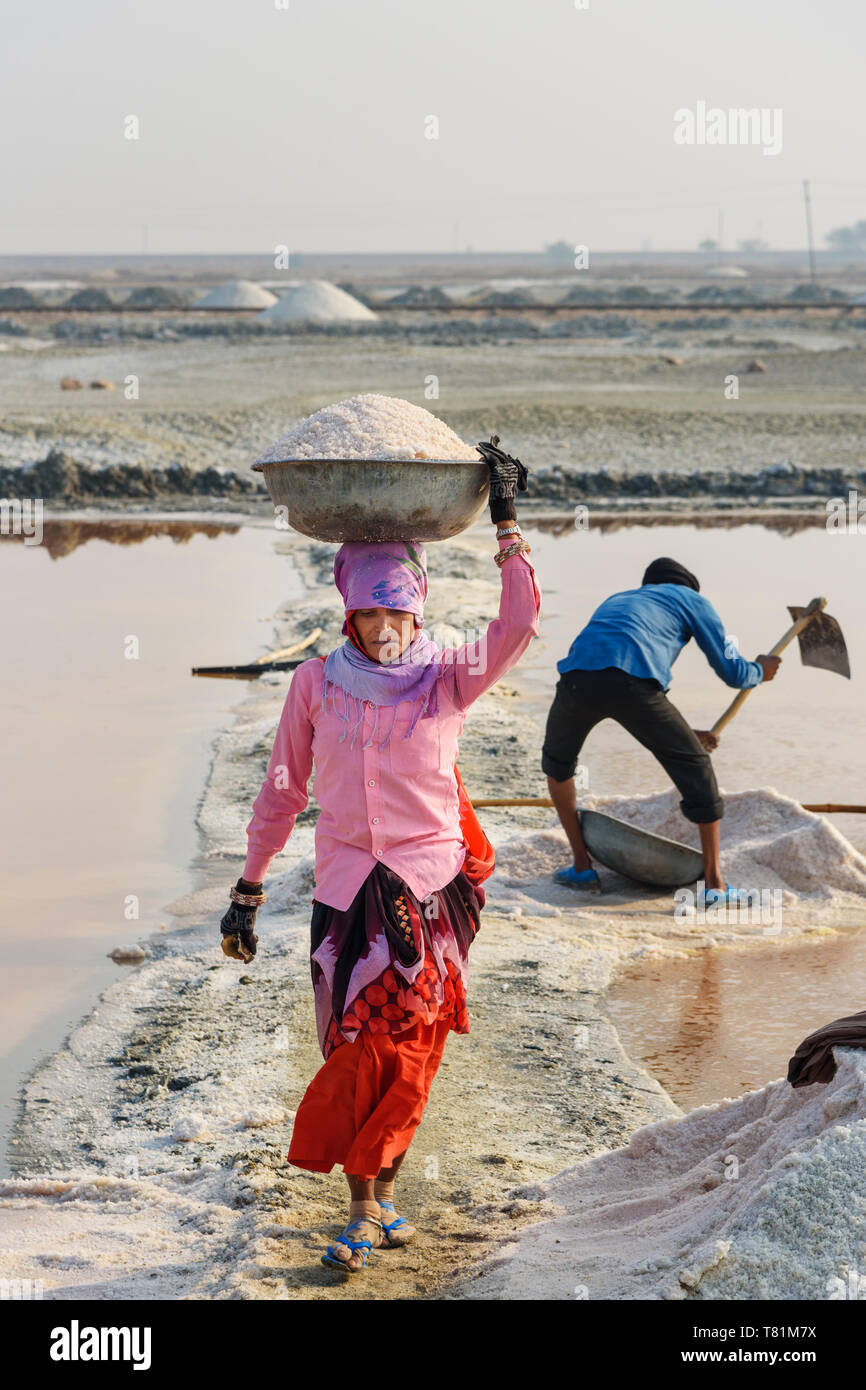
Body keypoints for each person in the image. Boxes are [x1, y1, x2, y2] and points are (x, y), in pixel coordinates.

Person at [219, 440, 540, 1275]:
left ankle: (370, 1204)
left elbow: (519, 626)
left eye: (399, 613)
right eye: (371, 614)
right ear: (347, 616)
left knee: (407, 1049)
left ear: (419, 612)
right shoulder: (316, 685)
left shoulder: (449, 677)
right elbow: (284, 791)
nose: (386, 628)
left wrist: (506, 523)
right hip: (343, 894)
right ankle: (373, 1203)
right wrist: (248, 890)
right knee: (354, 1049)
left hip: (430, 894)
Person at [541, 556, 781, 902]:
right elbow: (732, 673)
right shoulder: (692, 600)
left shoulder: (620, 599)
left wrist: (684, 733)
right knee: (697, 769)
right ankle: (715, 885)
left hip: (575, 679)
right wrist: (759, 670)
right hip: (633, 685)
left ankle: (581, 868)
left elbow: (620, 685)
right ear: (687, 586)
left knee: (558, 766)